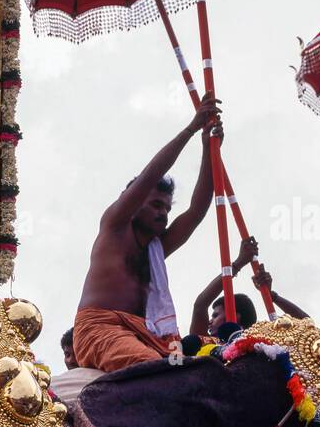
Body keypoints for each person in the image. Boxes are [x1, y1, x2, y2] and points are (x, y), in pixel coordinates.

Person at [73, 94, 221, 373]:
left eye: (166, 208)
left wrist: (209, 149)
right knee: (156, 369)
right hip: (101, 328)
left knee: (190, 369)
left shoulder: (156, 247)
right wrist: (192, 128)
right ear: (133, 200)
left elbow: (196, 211)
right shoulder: (115, 226)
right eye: (155, 204)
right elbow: (151, 176)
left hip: (152, 335)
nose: (163, 213)